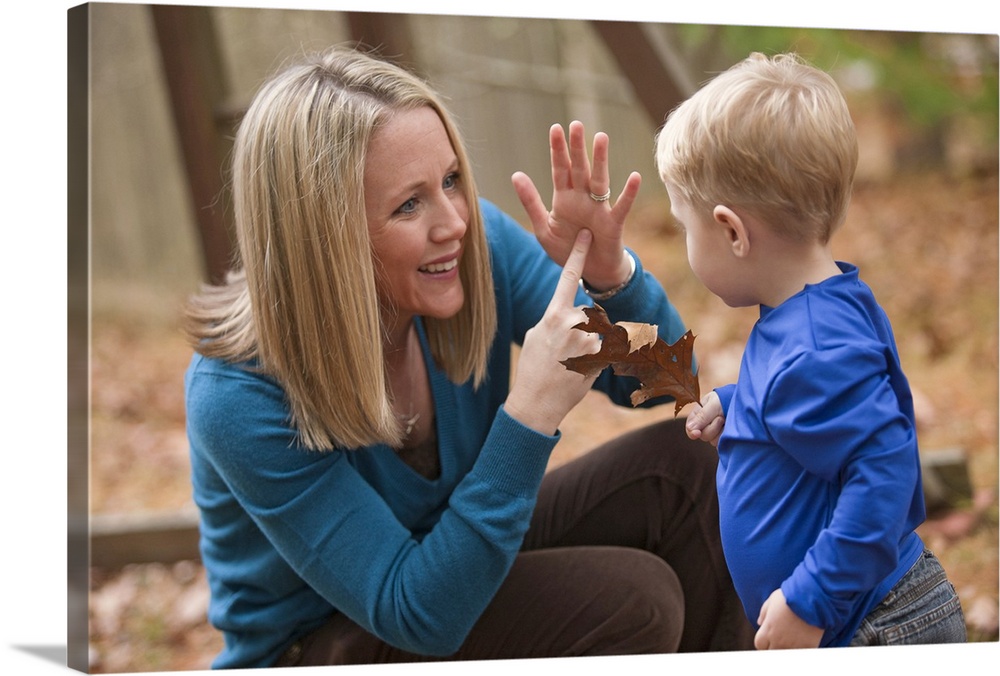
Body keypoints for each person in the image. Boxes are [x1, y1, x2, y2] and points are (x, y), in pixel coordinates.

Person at [183, 46, 753, 669]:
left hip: (452, 557)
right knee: (632, 601)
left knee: (688, 469)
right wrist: (528, 417)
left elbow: (670, 385)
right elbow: (417, 614)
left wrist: (612, 276)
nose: (453, 221)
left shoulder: (470, 249)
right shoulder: (237, 392)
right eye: (409, 203)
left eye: (451, 180)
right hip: (321, 642)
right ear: (325, 236)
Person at [655, 52, 967, 650]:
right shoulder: (812, 313)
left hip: (878, 625)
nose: (687, 245)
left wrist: (811, 599)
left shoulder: (816, 345)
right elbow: (808, 400)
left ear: (731, 231)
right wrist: (739, 405)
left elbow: (884, 476)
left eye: (683, 227)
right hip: (861, 615)